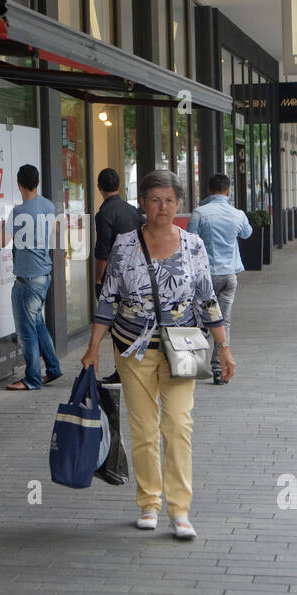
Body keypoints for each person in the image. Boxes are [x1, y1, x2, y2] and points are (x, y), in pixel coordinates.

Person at [80, 169, 234, 540]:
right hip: (133, 348)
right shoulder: (124, 245)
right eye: (154, 200)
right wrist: (92, 347)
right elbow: (108, 298)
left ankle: (180, 511)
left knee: (179, 425)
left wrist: (224, 347)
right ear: (143, 203)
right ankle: (149, 502)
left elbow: (207, 299)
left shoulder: (194, 244)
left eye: (169, 200)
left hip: (183, 348)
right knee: (144, 427)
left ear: (178, 203)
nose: (162, 207)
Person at [1, 163, 61, 391]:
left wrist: (1, 227)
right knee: (38, 324)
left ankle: (32, 378)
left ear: (19, 184)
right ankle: (53, 368)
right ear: (37, 183)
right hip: (44, 275)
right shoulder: (48, 205)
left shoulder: (18, 212)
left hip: (27, 280)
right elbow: (54, 231)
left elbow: (1, 241)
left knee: (26, 330)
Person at [187, 173, 252, 385]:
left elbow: (189, 241)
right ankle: (218, 369)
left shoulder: (199, 213)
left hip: (206, 277)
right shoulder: (238, 214)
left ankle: (193, 363)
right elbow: (247, 234)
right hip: (229, 276)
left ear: (208, 190)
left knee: (199, 320)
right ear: (228, 191)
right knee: (224, 322)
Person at [94, 167, 145, 296]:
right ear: (119, 185)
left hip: (114, 276)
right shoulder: (133, 210)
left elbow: (102, 251)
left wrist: (98, 280)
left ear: (99, 187)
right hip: (136, 270)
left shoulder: (103, 215)